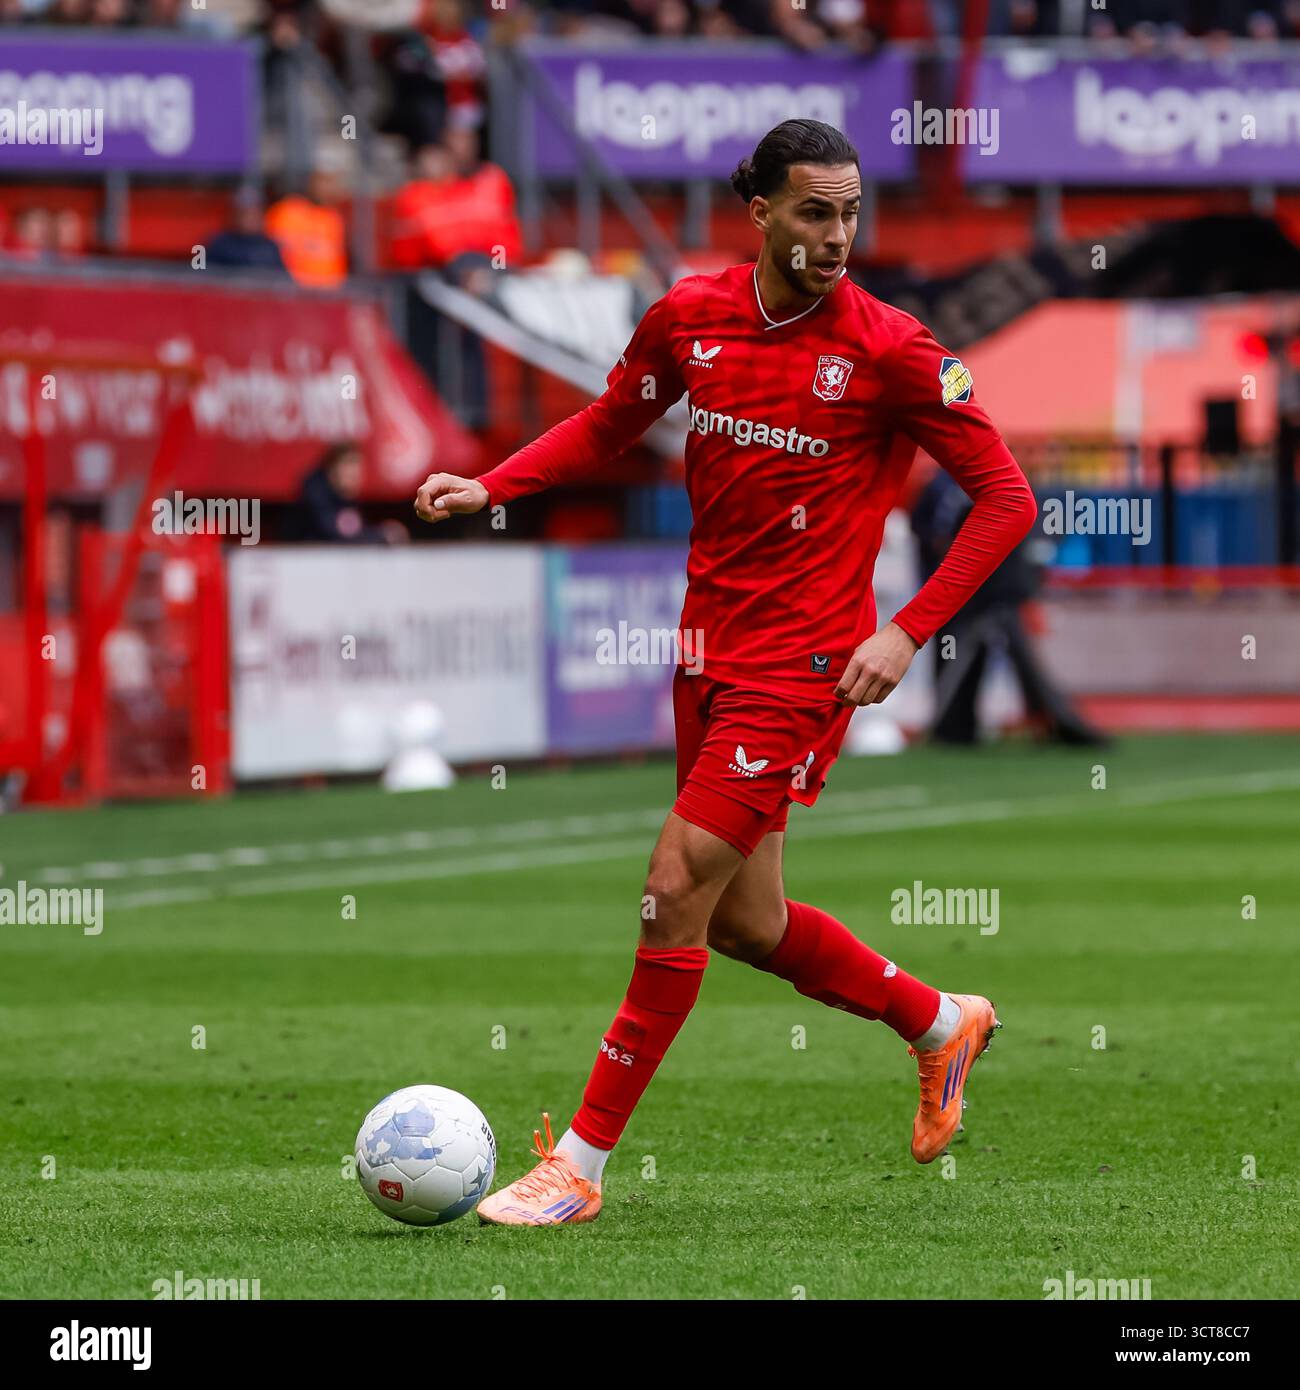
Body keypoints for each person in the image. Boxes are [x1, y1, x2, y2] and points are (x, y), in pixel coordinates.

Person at [414, 119, 1037, 1226]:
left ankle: (581, 1167)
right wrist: (494, 485)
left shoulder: (893, 348)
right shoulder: (690, 317)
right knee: (748, 921)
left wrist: (905, 630)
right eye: (813, 211)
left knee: (670, 892)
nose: (837, 234)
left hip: (801, 667)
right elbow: (613, 423)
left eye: (850, 211)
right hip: (705, 653)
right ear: (758, 211)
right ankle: (942, 1022)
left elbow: (1007, 499)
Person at [289, 443, 408, 544]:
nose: (354, 475)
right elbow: (336, 535)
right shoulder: (315, 494)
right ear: (331, 469)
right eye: (348, 466)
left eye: (357, 469)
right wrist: (382, 535)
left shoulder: (346, 498)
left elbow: (353, 530)